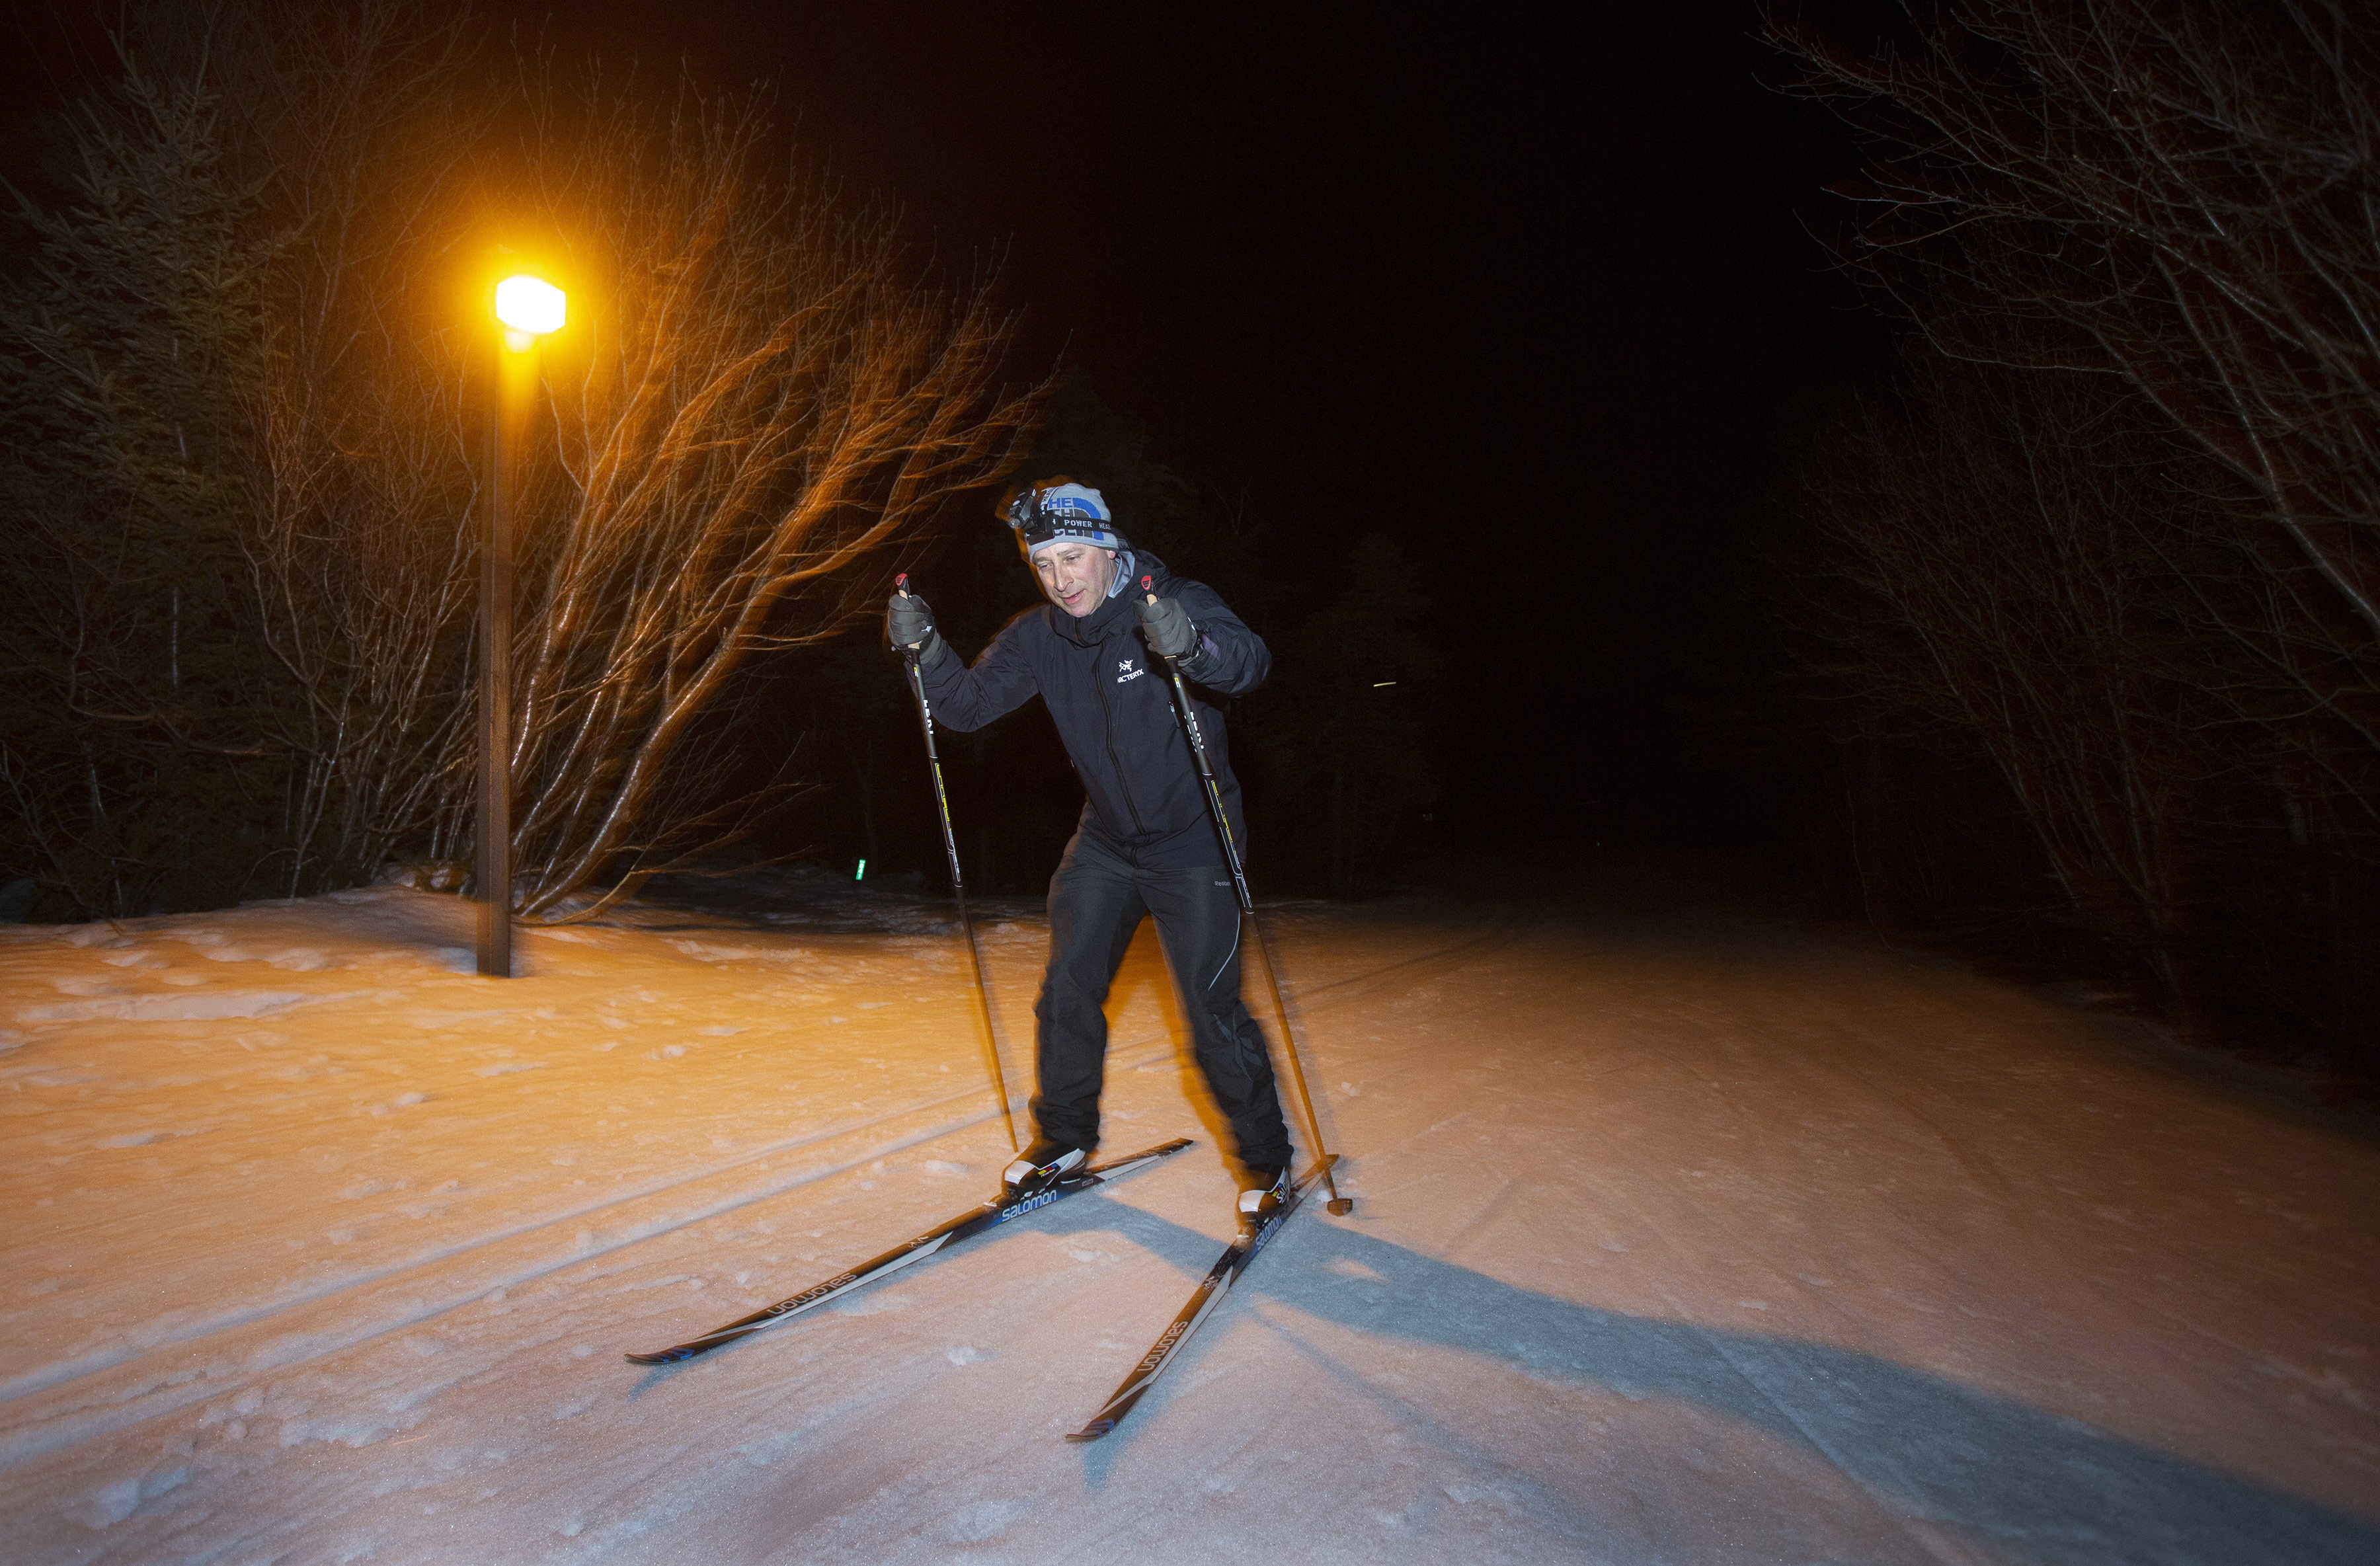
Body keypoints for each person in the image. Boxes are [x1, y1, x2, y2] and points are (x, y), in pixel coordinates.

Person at [887, 477, 1294, 1219]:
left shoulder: (1165, 601)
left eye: (1072, 557)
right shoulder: (1040, 636)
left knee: (1210, 1013)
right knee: (1068, 991)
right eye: (1044, 564)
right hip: (1105, 841)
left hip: (1195, 842)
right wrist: (927, 648)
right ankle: (1064, 1140)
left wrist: (1192, 645)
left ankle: (1268, 1163)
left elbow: (1249, 661)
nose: (1060, 578)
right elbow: (967, 706)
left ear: (1106, 549)